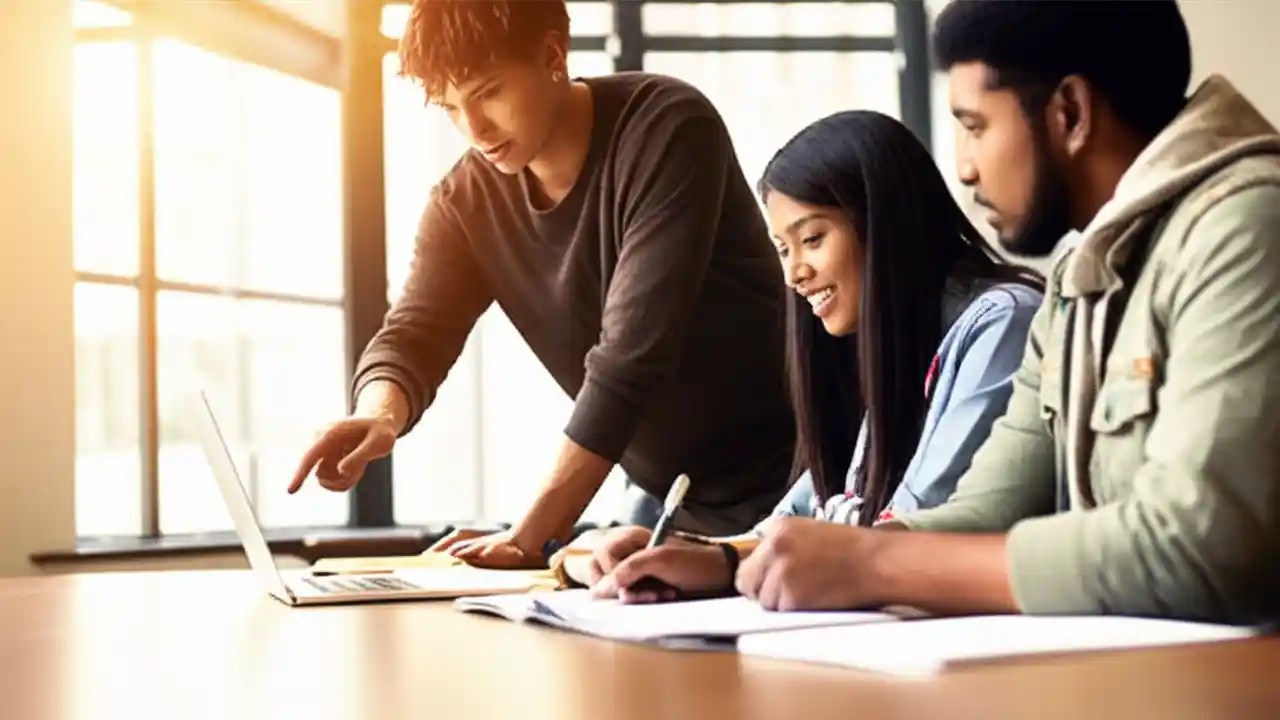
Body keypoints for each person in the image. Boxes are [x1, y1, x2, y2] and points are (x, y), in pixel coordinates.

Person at [668, 0, 1280, 622]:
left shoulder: (1246, 227)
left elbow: (1200, 547)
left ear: (1070, 113)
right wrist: (734, 562)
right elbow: (989, 510)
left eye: (975, 126)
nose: (963, 166)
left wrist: (871, 564)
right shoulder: (1077, 281)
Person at [288, 0, 795, 568]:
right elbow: (414, 335)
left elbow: (629, 358)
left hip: (798, 477)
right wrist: (379, 414)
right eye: (450, 107)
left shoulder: (668, 127)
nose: (473, 129)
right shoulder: (465, 203)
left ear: (553, 54)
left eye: (487, 93)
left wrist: (528, 535)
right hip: (669, 500)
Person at [584, 111, 1043, 603]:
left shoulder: (1002, 324)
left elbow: (913, 527)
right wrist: (696, 552)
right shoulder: (886, 341)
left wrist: (723, 560)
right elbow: (798, 520)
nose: (794, 274)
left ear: (883, 221)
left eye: (812, 239)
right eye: (783, 249)